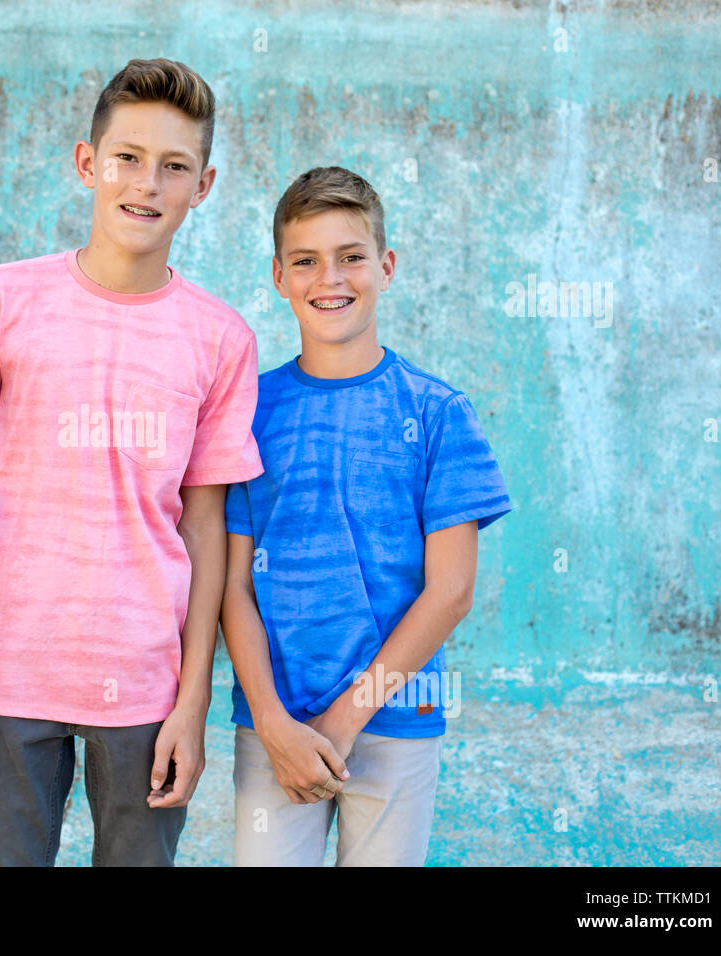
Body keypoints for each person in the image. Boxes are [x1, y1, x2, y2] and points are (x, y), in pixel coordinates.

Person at [0, 58, 264, 866]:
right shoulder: (0, 302)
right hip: (3, 670)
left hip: (146, 684)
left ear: (203, 185)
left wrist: (193, 699)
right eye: (128, 158)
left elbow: (206, 524)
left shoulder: (221, 339)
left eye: (174, 166)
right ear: (88, 164)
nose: (147, 183)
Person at [222, 166, 512, 866]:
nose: (331, 278)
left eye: (351, 256)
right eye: (306, 261)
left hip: (395, 725)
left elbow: (451, 590)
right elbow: (231, 587)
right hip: (274, 730)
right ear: (278, 276)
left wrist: (347, 718)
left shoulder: (438, 412)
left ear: (385, 266)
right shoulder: (248, 414)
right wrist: (273, 721)